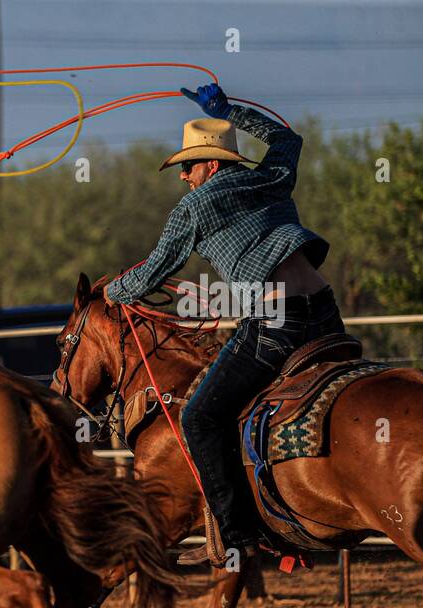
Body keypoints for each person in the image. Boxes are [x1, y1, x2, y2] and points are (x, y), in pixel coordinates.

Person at [103, 83, 343, 567]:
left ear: (210, 165)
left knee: (200, 418)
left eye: (187, 167)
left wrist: (111, 294)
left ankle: (238, 536)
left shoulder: (195, 207)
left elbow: (154, 271)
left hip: (276, 320)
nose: (184, 178)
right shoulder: (271, 176)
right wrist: (229, 110)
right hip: (323, 308)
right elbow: (287, 141)